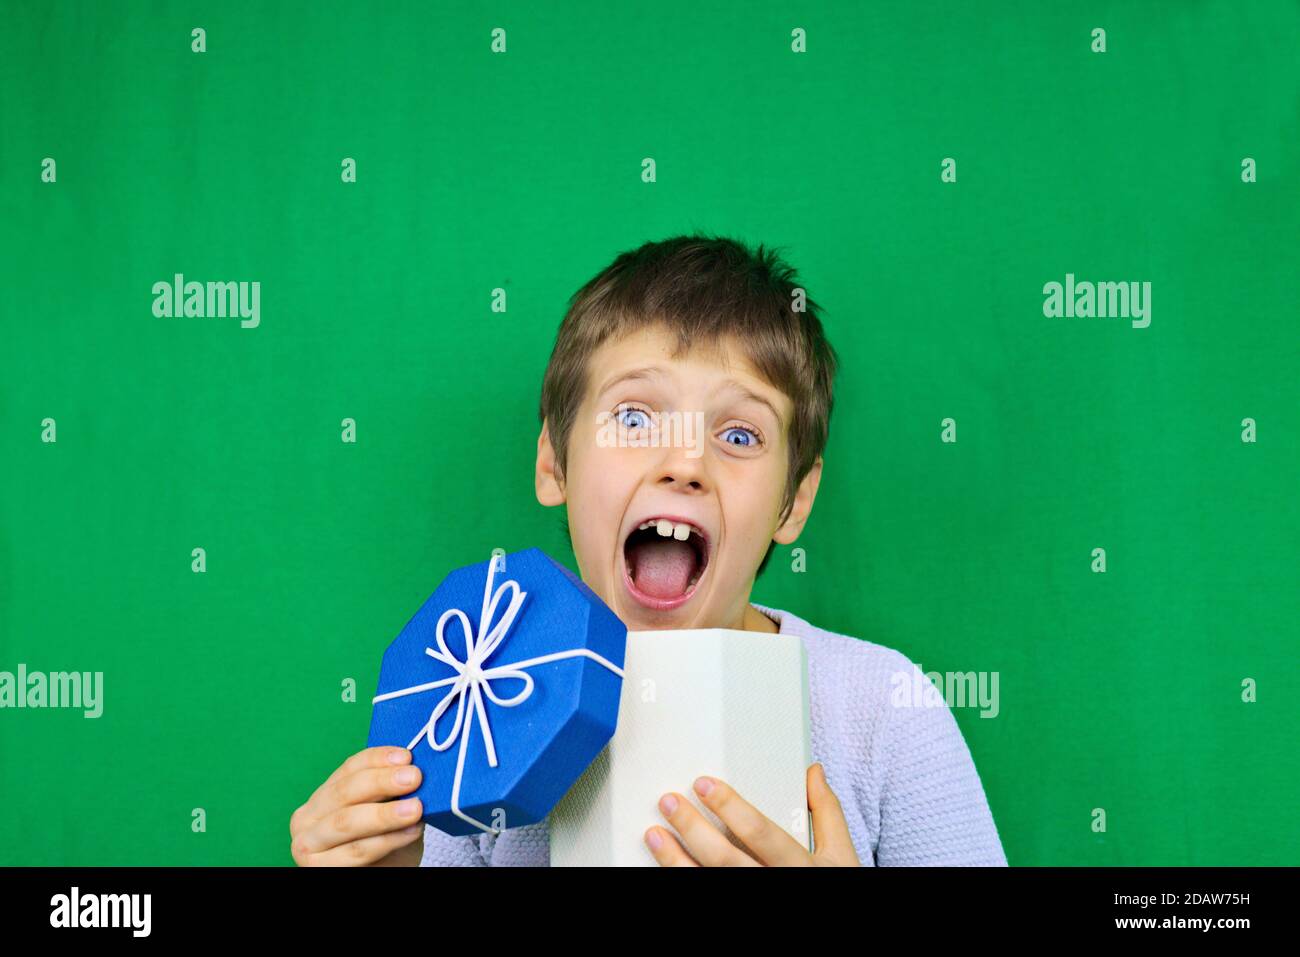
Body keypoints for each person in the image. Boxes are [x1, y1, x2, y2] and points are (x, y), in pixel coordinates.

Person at [290, 235, 1007, 867]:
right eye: (634, 417)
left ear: (794, 500)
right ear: (553, 461)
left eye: (739, 435)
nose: (684, 462)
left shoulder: (883, 709)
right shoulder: (481, 704)